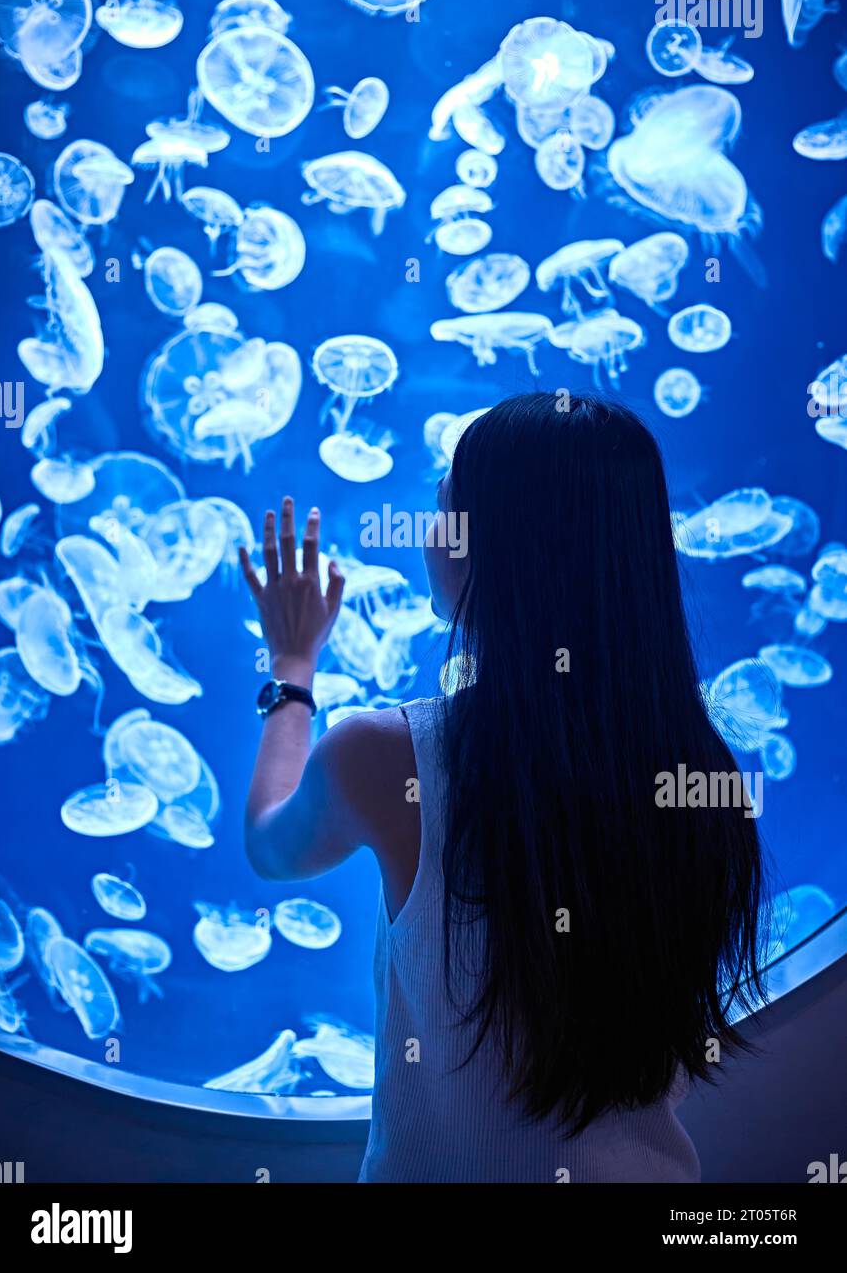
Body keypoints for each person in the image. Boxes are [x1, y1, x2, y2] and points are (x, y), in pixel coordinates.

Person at [239, 391, 767, 1183]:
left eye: (444, 503)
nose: (427, 530)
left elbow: (271, 844)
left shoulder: (391, 758)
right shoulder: (705, 773)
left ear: (490, 546)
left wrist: (292, 668)